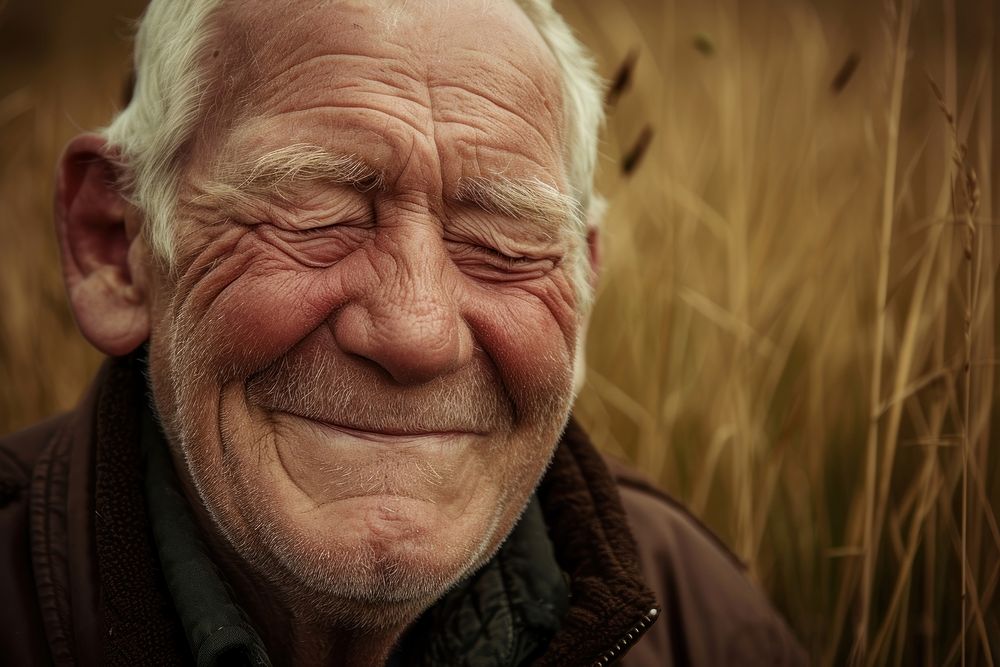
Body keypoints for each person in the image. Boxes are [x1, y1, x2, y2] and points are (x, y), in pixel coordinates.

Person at [0, 0, 807, 664]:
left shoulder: (697, 614)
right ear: (116, 244)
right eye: (315, 212)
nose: (417, 331)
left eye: (503, 240)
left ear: (583, 284)